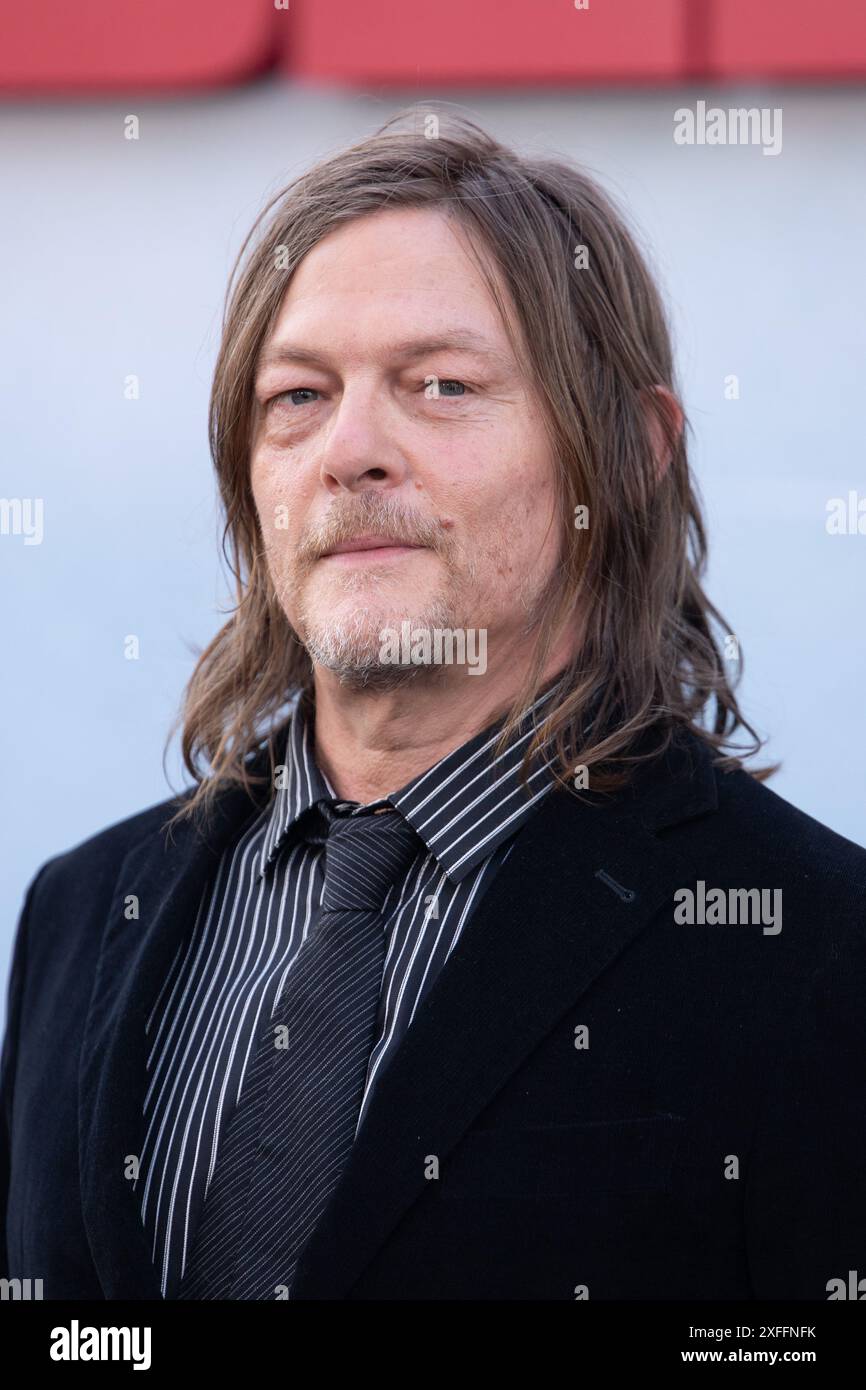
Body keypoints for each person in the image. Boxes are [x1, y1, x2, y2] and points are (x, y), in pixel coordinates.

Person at [2, 110, 864, 1302]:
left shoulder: (813, 944)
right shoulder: (77, 914)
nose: (349, 450)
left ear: (625, 452)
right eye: (297, 396)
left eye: (442, 384)